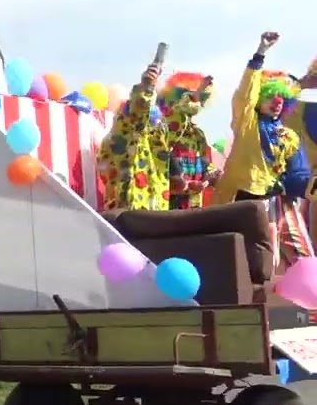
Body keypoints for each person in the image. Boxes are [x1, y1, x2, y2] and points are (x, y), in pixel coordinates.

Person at [214, 31, 314, 270]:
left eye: (282, 99)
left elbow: (299, 175)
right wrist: (260, 55)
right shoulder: (246, 123)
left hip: (273, 202)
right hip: (239, 199)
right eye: (271, 96)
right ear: (259, 98)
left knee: (290, 253)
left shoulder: (288, 136)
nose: (277, 102)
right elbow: (244, 95)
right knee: (241, 260)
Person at [97, 62, 171, 210]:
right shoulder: (123, 134)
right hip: (128, 212)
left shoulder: (153, 140)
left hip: (155, 212)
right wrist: (146, 87)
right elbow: (137, 111)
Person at [155, 72, 220, 209]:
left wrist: (212, 175)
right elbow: (179, 111)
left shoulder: (198, 133)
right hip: (170, 199)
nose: (197, 104)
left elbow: (203, 161)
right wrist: (195, 94)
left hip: (194, 200)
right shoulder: (166, 126)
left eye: (199, 100)